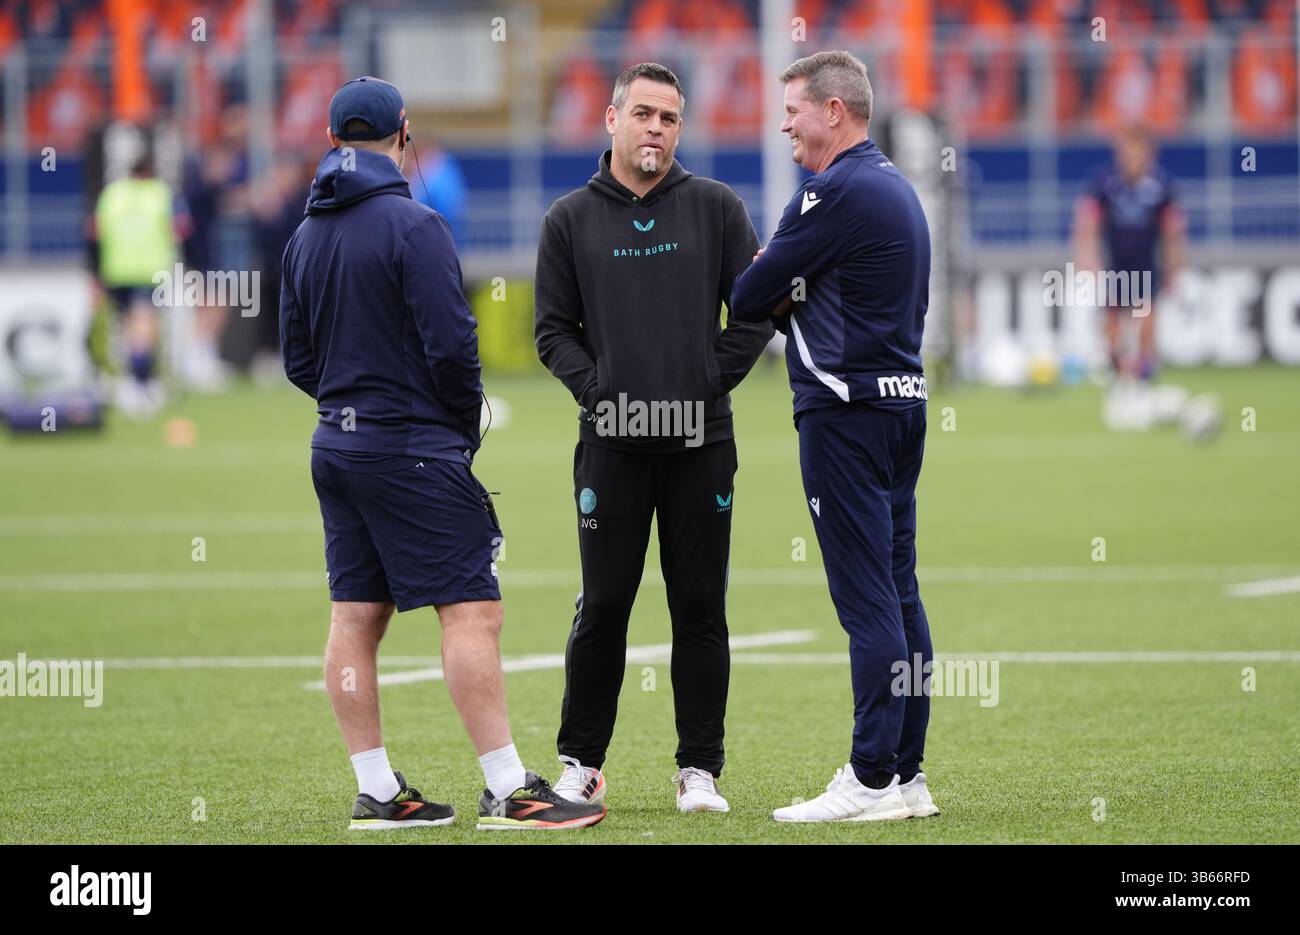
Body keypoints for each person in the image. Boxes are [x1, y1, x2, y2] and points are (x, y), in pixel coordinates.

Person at [281, 76, 604, 831]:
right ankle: (507, 786)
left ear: (332, 142)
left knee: (356, 613)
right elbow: (455, 347)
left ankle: (378, 790)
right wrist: (456, 424)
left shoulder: (303, 233)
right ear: (404, 133)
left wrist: (346, 403)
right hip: (411, 445)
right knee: (471, 609)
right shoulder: (414, 224)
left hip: (337, 441)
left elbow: (297, 359)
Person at [534, 62, 773, 813]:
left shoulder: (717, 207)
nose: (655, 129)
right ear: (611, 119)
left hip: (702, 444)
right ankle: (582, 762)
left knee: (700, 603)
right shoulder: (569, 218)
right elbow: (551, 332)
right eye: (642, 114)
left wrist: (706, 379)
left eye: (669, 118)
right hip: (611, 446)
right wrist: (599, 391)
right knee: (604, 602)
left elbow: (757, 313)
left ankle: (698, 768)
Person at [730, 51, 939, 823]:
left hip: (844, 415)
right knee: (901, 591)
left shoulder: (836, 190)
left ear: (835, 111)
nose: (783, 121)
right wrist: (796, 287)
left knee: (867, 602)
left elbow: (751, 293)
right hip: (899, 408)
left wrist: (783, 288)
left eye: (793, 107)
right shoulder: (895, 189)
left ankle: (869, 777)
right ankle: (907, 777)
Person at [1073, 124, 1184, 387]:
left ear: (1149, 154)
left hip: (1146, 265)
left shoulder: (1161, 186)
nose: (1131, 159)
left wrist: (1174, 268)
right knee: (1112, 321)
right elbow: (1087, 221)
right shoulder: (1105, 182)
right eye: (1127, 153)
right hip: (1116, 264)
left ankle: (1144, 371)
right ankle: (1116, 370)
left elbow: (1173, 230)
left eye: (1137, 153)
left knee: (1146, 319)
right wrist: (1086, 258)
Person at [92, 149, 181, 418]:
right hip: (147, 270)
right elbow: (179, 228)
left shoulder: (111, 194)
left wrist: (95, 273)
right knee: (143, 328)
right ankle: (140, 383)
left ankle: (135, 382)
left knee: (126, 328)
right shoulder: (160, 193)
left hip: (116, 270)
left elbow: (96, 232)